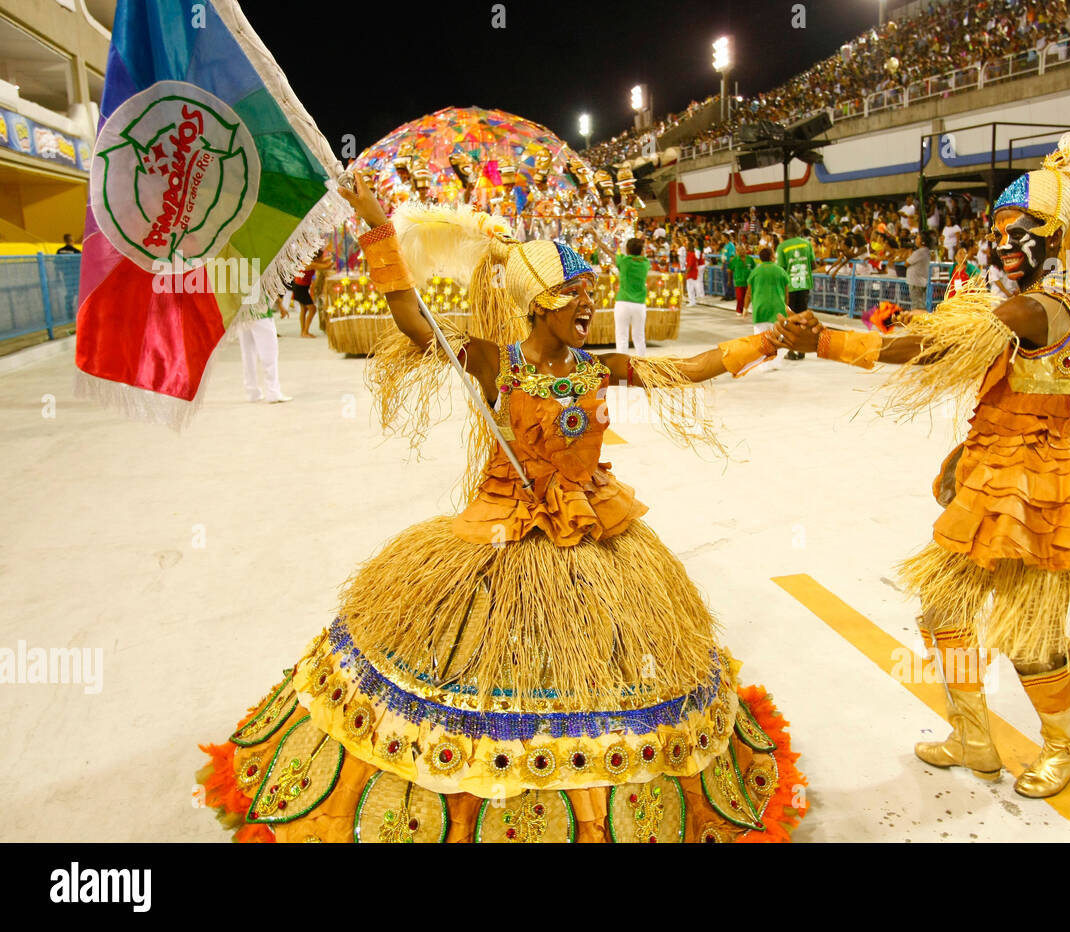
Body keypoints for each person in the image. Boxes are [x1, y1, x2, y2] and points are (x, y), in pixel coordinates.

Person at [197, 174, 807, 844]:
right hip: (503, 530)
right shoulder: (493, 359)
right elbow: (411, 321)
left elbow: (690, 368)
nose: (588, 305)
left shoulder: (599, 366)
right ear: (541, 304)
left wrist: (768, 340)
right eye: (576, 296)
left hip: (591, 529)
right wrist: (375, 224)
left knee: (588, 663)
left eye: (590, 295)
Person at [771, 115, 1070, 799]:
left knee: (1032, 636)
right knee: (944, 610)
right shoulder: (1031, 302)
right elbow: (988, 372)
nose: (1003, 247)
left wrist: (826, 341)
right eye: (995, 235)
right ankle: (973, 737)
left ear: (1054, 239)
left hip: (1045, 489)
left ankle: (1066, 746)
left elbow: (932, 349)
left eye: (1017, 234)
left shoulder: (1040, 308)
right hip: (997, 477)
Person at [596, 235, 649, 357]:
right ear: (641, 250)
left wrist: (597, 239)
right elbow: (642, 256)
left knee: (621, 337)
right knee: (639, 337)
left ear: (628, 250)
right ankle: (644, 367)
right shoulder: (646, 263)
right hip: (639, 305)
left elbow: (608, 252)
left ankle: (622, 369)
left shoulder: (624, 261)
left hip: (623, 303)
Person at [236, 287, 292, 403]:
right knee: (269, 353)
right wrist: (280, 304)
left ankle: (252, 392)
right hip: (260, 311)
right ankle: (273, 392)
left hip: (242, 310)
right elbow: (270, 283)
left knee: (248, 353)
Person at [775, 223, 816, 360]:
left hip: (790, 286)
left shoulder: (782, 247)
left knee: (790, 320)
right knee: (803, 318)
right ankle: (803, 350)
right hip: (804, 284)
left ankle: (792, 350)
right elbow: (813, 264)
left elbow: (780, 269)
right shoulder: (807, 244)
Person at [747, 246, 790, 364]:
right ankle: (776, 361)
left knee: (761, 339)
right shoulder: (781, 270)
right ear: (772, 256)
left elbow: (748, 293)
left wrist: (745, 308)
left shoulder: (755, 272)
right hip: (778, 309)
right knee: (778, 337)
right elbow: (787, 293)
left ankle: (763, 363)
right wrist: (786, 306)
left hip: (760, 310)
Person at [291, 250, 330, 338]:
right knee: (312, 309)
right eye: (321, 257)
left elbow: (323, 261)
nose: (322, 258)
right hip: (300, 288)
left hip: (301, 287)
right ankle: (305, 331)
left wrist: (332, 257)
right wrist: (333, 261)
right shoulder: (311, 264)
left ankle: (303, 332)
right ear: (316, 258)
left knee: (304, 310)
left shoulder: (310, 261)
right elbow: (326, 266)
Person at [904, 231, 932, 308]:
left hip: (916, 283)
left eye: (917, 238)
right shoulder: (926, 251)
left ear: (923, 241)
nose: (915, 240)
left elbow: (906, 263)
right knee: (920, 304)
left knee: (916, 305)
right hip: (921, 282)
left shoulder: (920, 252)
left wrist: (910, 252)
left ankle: (917, 320)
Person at [729, 241, 754, 317]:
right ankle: (739, 310)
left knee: (749, 297)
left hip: (748, 282)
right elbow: (730, 270)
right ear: (737, 251)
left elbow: (754, 268)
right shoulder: (734, 260)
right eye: (739, 250)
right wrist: (729, 280)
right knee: (740, 297)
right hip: (739, 282)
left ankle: (745, 309)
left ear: (745, 249)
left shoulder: (750, 259)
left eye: (742, 249)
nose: (741, 251)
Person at [684, 237, 702, 307]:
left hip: (691, 273)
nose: (686, 247)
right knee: (692, 287)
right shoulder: (691, 254)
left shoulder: (691, 254)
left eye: (687, 246)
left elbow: (690, 265)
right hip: (693, 272)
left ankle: (692, 301)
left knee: (690, 288)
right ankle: (693, 300)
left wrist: (686, 273)